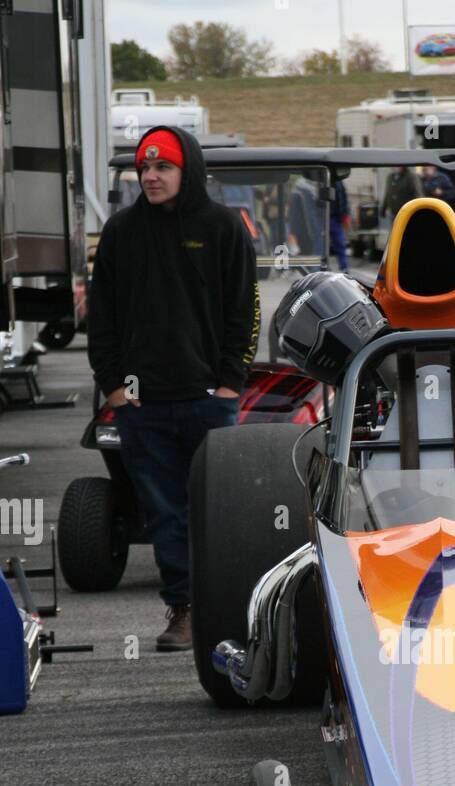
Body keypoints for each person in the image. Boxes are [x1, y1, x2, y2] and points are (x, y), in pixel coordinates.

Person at [87, 126, 260, 651]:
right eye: (144, 169)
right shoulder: (120, 232)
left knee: (220, 509)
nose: (151, 177)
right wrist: (114, 389)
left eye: (162, 168)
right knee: (165, 513)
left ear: (188, 171)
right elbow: (102, 318)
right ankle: (184, 610)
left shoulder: (224, 228)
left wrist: (231, 383)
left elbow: (244, 311)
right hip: (143, 405)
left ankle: (231, 611)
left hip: (209, 401)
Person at [330, 177, 350, 272]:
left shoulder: (338, 182)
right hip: (323, 217)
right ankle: (320, 267)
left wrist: (345, 214)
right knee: (321, 244)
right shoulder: (320, 179)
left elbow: (343, 198)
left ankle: (344, 267)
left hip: (335, 217)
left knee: (340, 243)